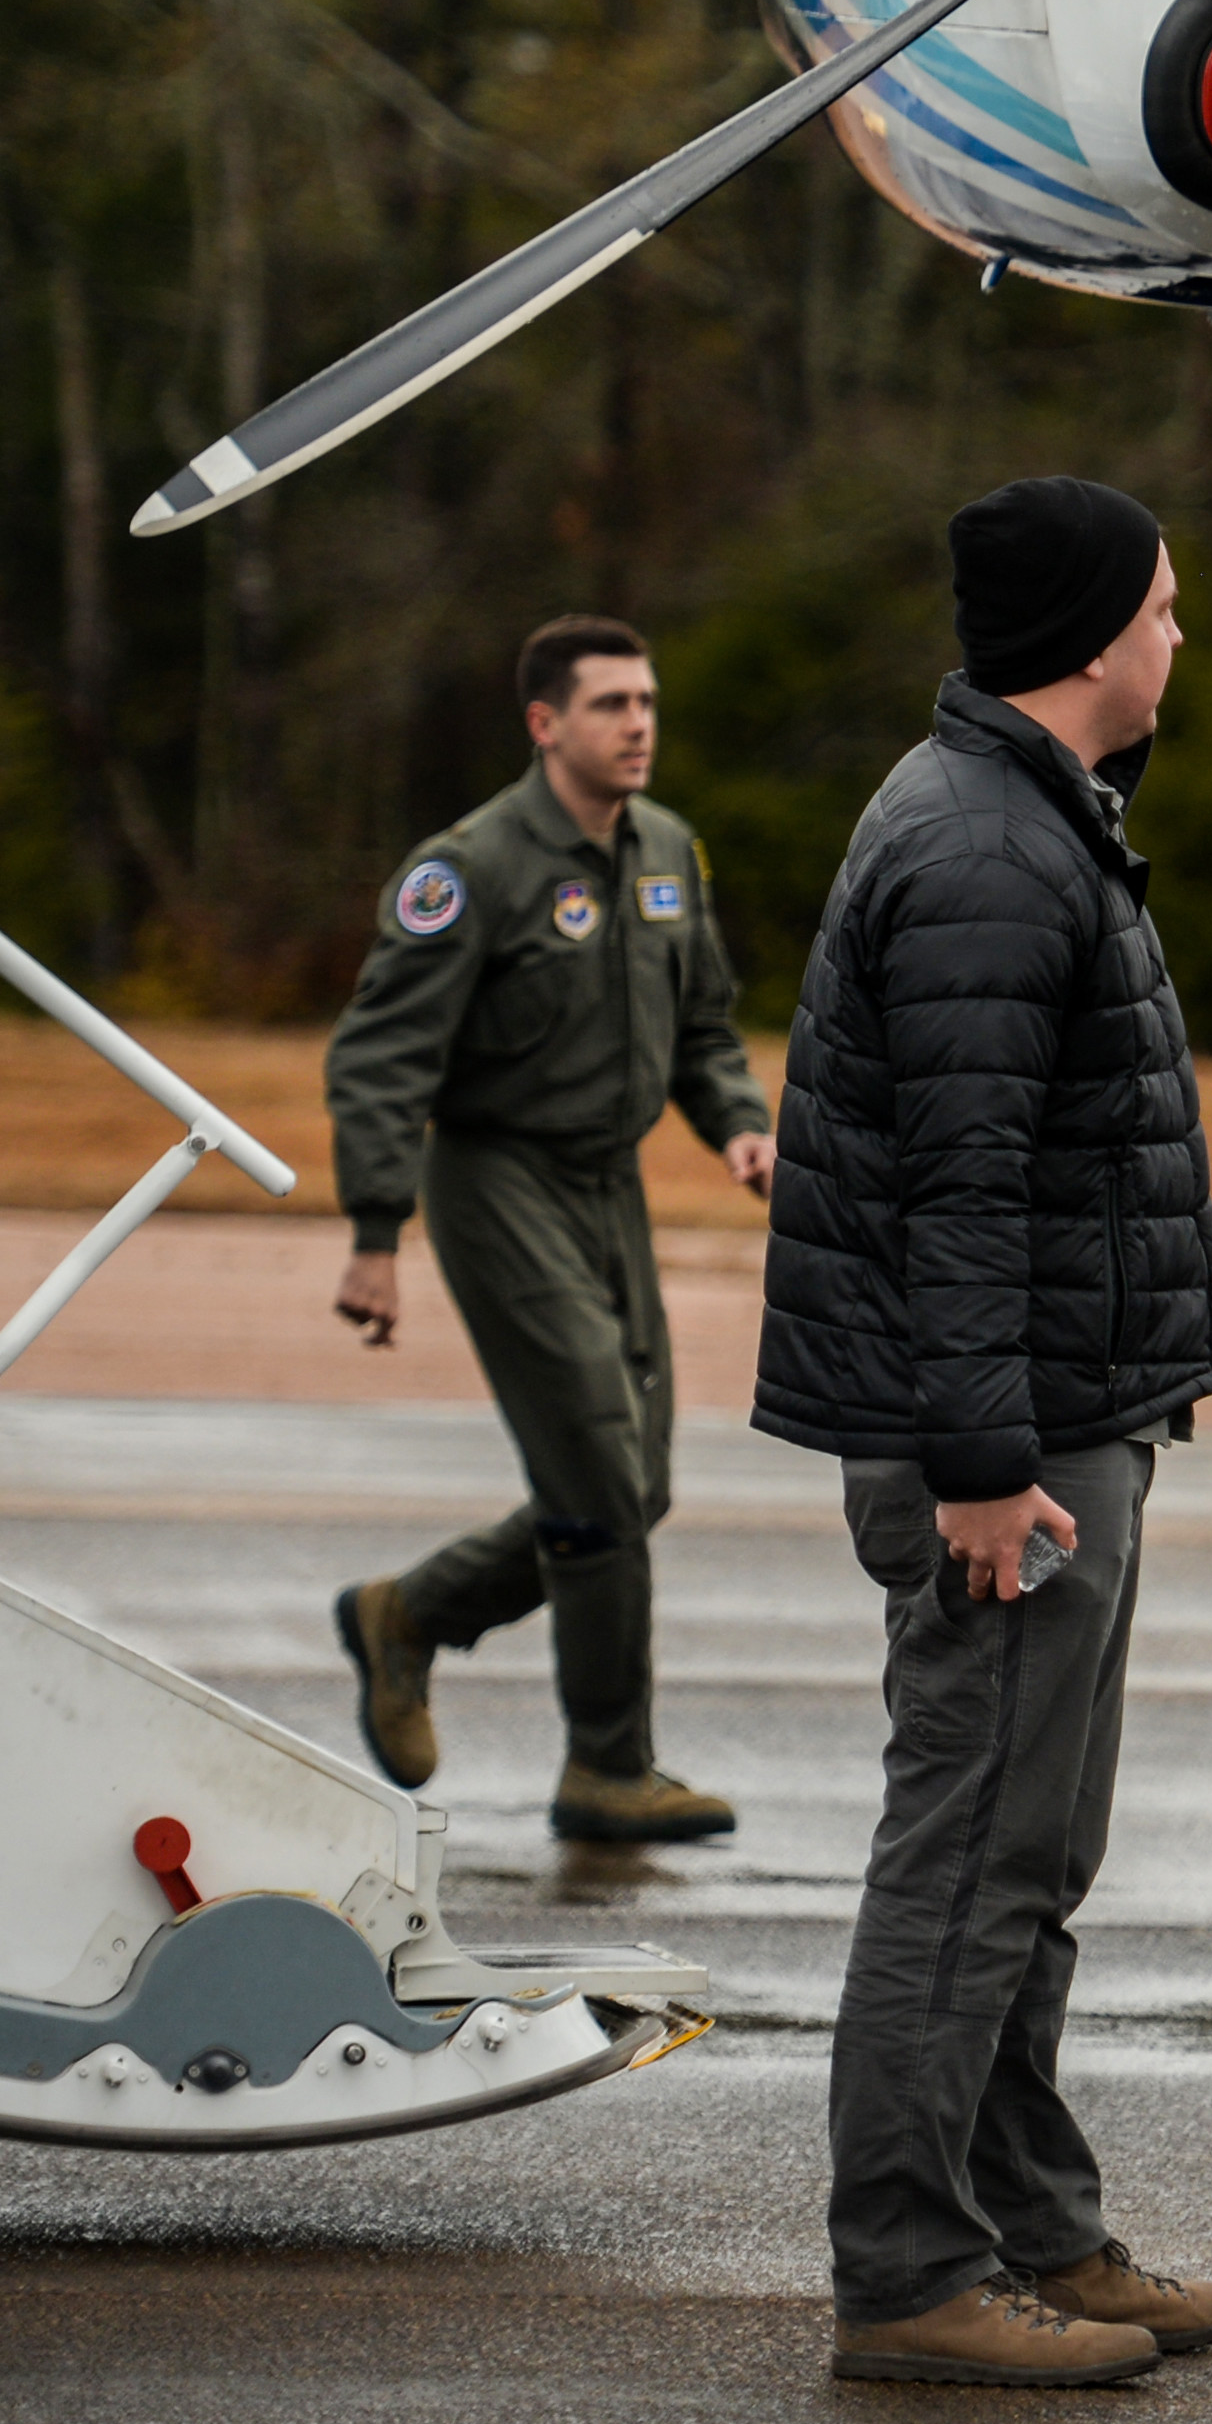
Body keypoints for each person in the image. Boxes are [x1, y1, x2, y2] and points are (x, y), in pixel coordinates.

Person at [750, 479, 1212, 2393]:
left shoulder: (1020, 818)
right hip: (1008, 1446)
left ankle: (1032, 2224)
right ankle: (907, 2272)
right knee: (967, 1855)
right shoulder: (980, 851)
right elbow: (956, 1195)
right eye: (1168, 607)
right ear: (1098, 631)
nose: (1180, 638)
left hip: (1055, 1415)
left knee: (1028, 1854)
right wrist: (977, 1461)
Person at [326, 615, 773, 1843]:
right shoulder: (469, 866)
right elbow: (378, 1053)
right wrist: (377, 1229)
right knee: (595, 1468)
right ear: (544, 723)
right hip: (495, 1181)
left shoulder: (668, 848)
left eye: (647, 701)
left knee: (637, 1483)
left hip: (607, 1189)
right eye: (609, 703)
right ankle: (608, 1765)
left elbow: (704, 1027)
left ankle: (410, 1613)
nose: (637, 723)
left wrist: (738, 1121)